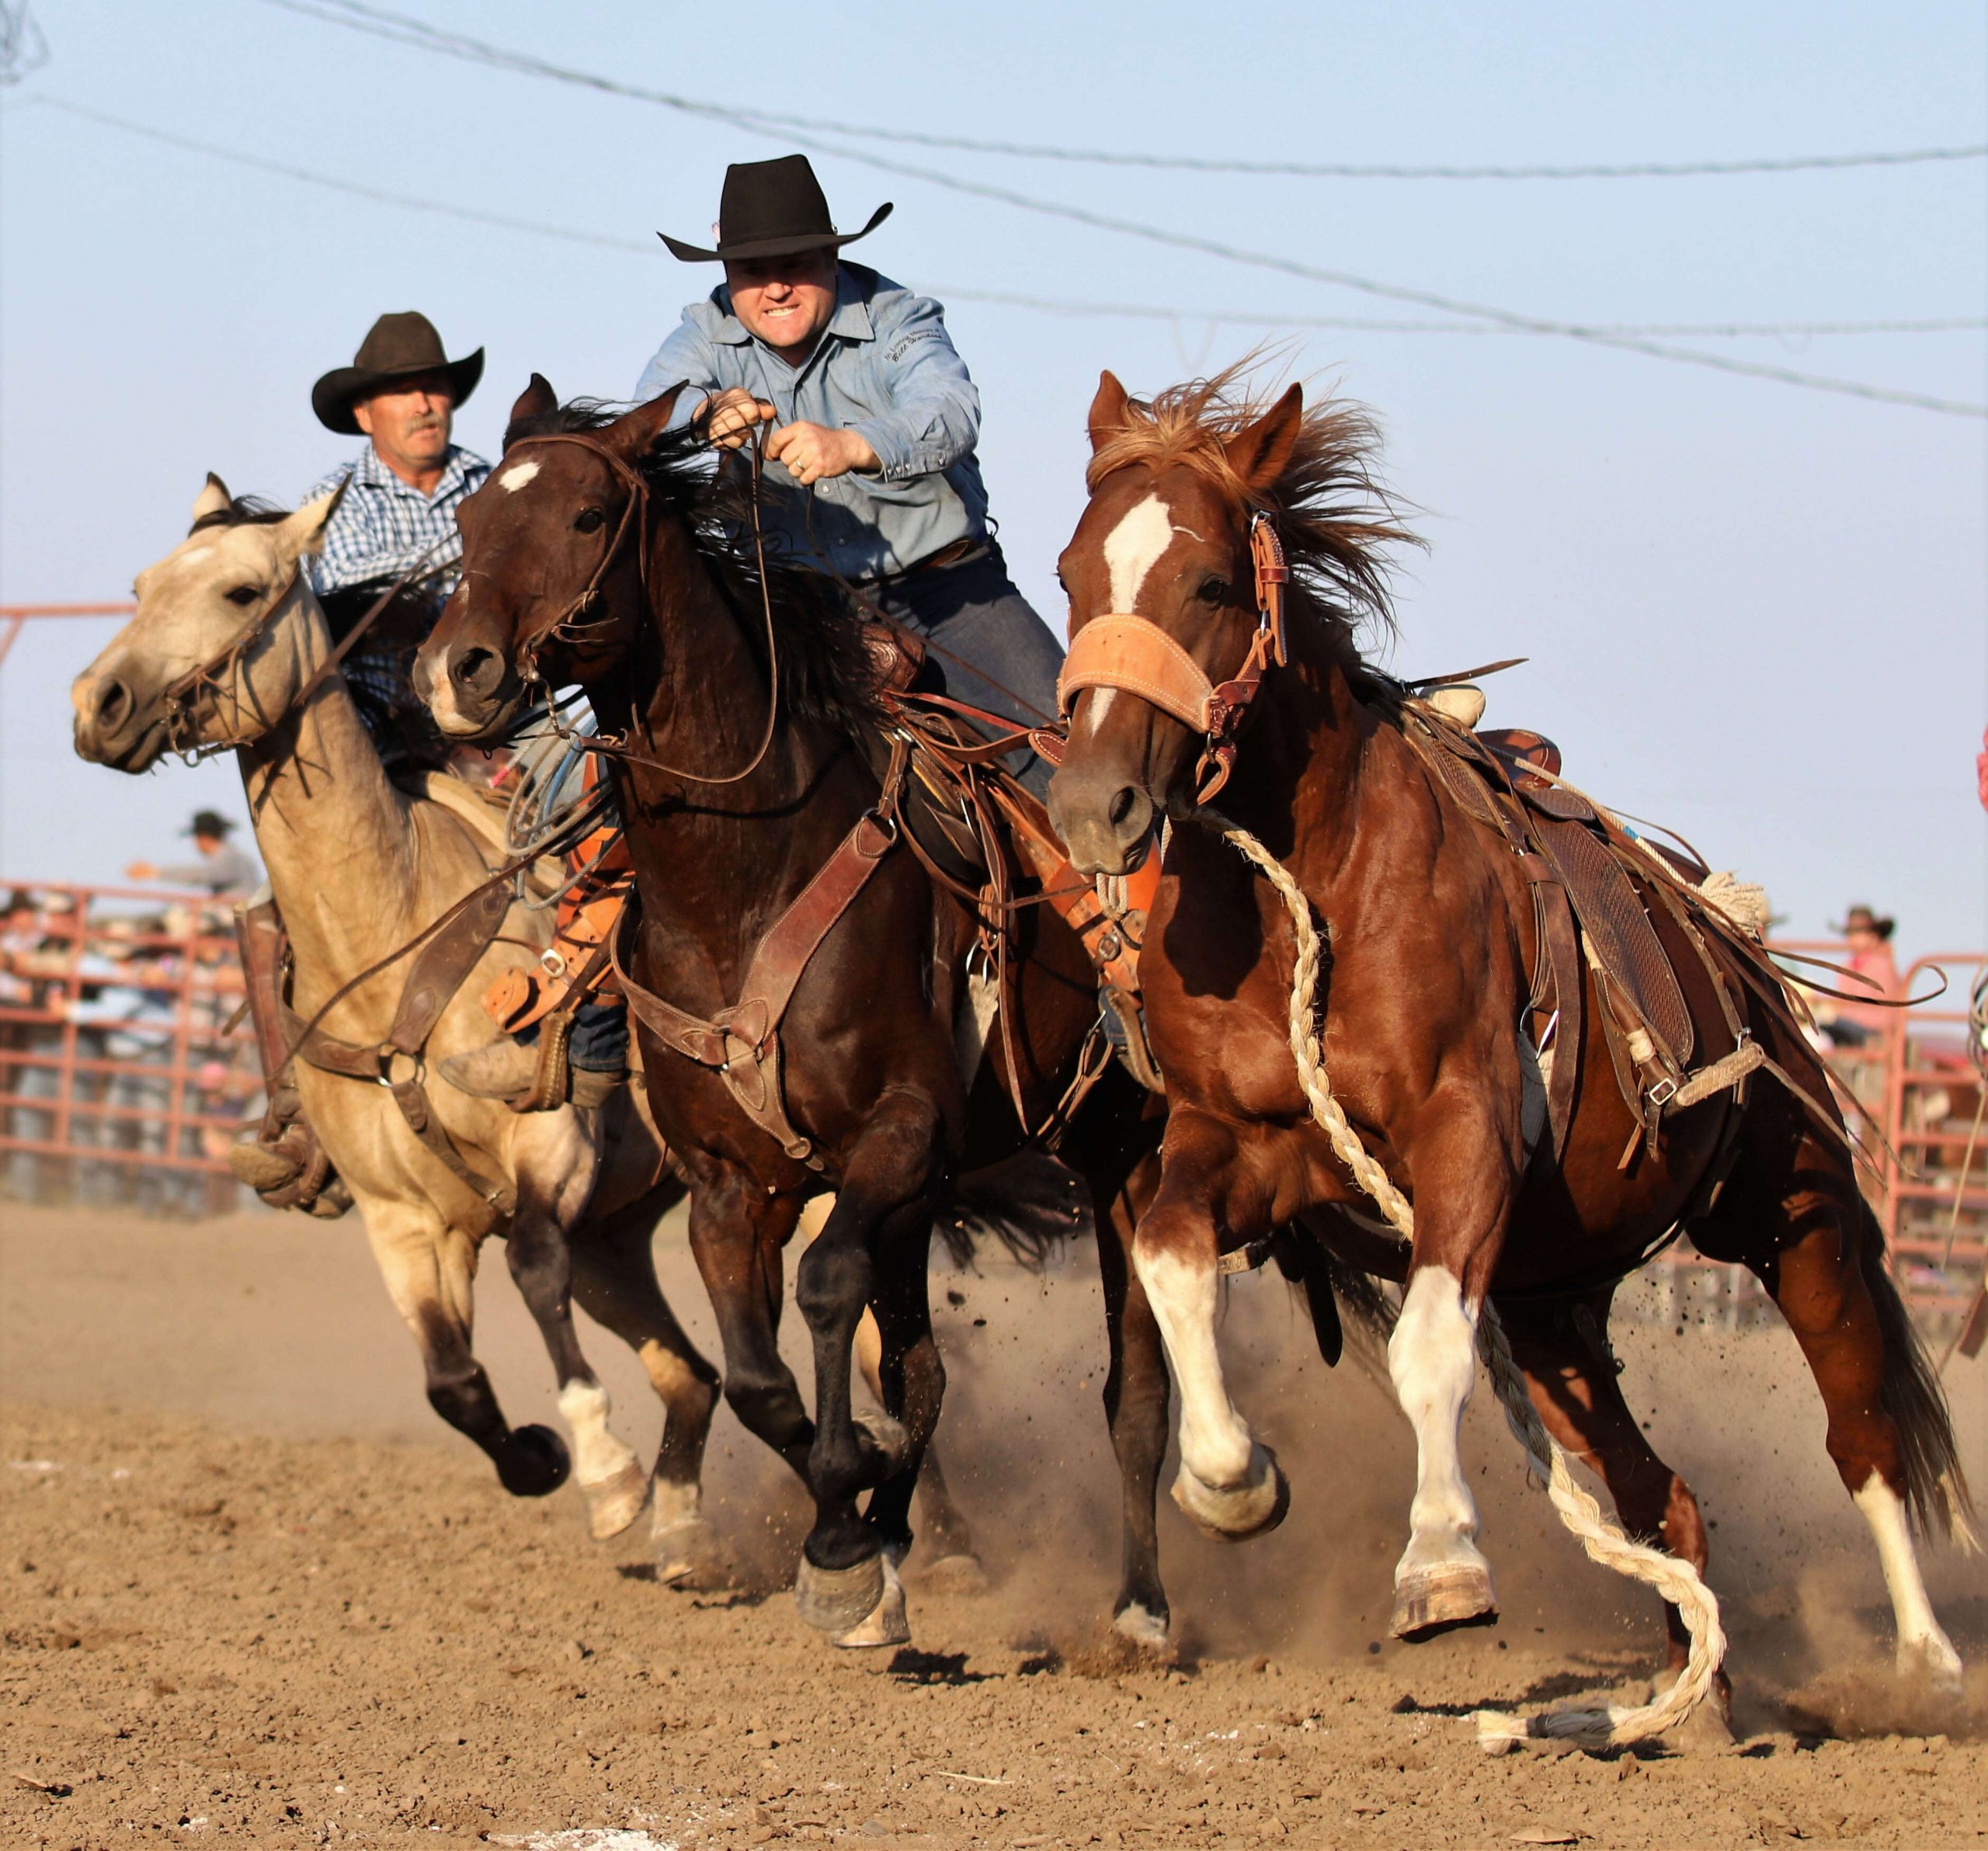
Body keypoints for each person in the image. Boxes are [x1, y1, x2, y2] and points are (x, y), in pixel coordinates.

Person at [444, 155, 1071, 1110]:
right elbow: (649, 414)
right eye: (751, 269)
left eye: (795, 261)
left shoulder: (900, 319)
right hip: (801, 609)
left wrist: (856, 445)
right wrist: (705, 411)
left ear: (831, 258)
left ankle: (1129, 984)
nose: (773, 285)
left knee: (1065, 760)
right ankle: (586, 1013)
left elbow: (950, 412)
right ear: (728, 279)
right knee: (641, 787)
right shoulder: (704, 334)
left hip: (947, 593)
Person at [303, 311, 492, 749]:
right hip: (383, 732)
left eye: (433, 387)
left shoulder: (494, 481)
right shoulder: (331, 501)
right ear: (365, 416)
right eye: (402, 391)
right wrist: (473, 556)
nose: (422, 405)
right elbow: (345, 589)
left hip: (505, 723)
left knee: (587, 780)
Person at [127, 810, 259, 898]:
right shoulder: (236, 856)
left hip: (238, 920)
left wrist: (155, 872)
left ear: (204, 838)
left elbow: (203, 875)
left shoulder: (228, 857)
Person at [1823, 904, 1900, 1048]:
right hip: (1849, 1027)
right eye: (1850, 934)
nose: (1852, 939)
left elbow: (1888, 1013)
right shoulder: (1846, 966)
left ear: (1873, 936)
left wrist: (1846, 1017)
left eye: (1858, 933)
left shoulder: (1883, 966)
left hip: (1874, 1032)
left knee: (1829, 1028)